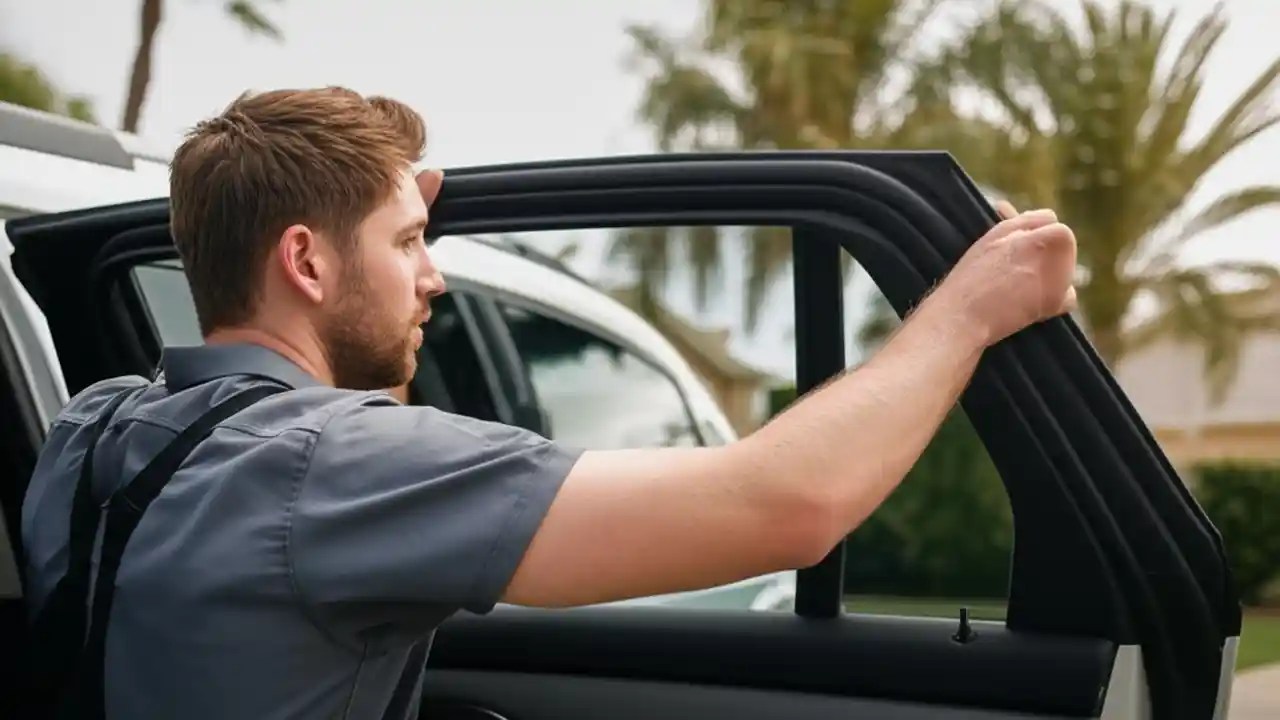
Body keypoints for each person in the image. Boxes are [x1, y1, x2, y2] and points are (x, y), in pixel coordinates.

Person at [20, 86, 1076, 719]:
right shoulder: (335, 471)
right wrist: (967, 312)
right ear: (303, 259)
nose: (431, 276)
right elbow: (786, 507)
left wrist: (370, 251)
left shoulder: (93, 426)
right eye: (407, 245)